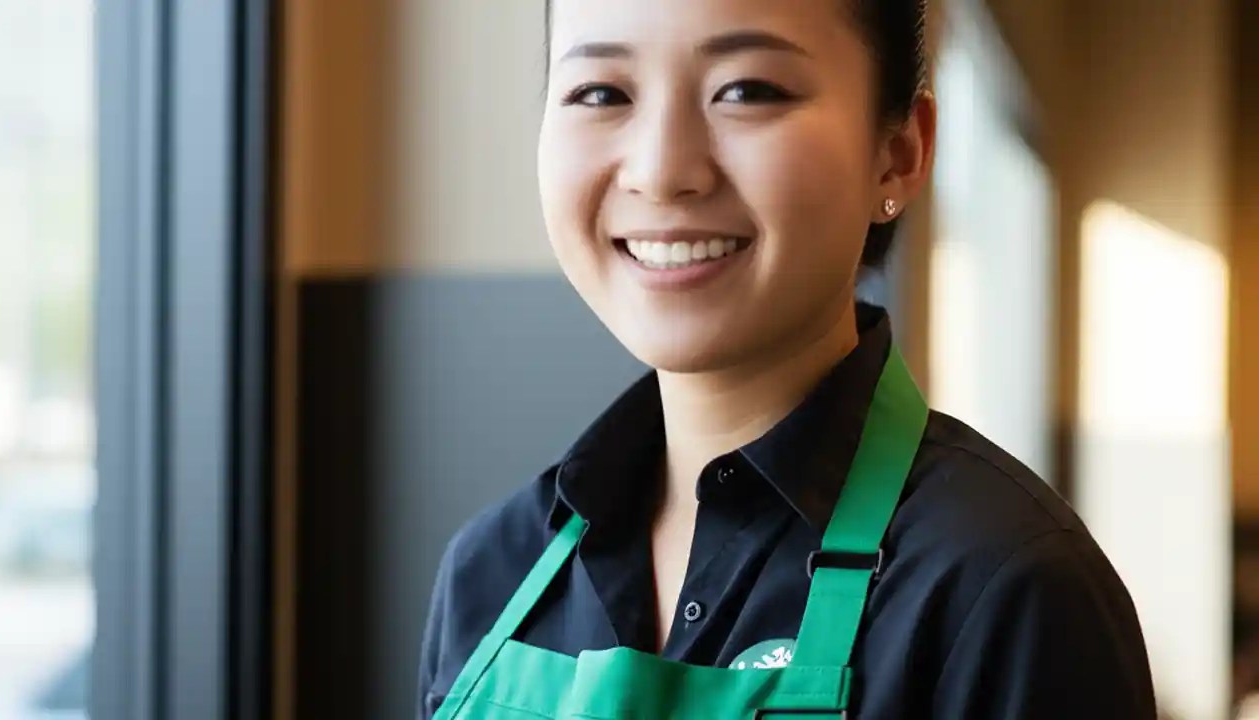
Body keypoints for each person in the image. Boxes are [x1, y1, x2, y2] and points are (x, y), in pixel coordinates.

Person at [419, 0, 1157, 717]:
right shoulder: (494, 569)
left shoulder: (1005, 586)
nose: (661, 169)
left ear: (899, 154)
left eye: (745, 90)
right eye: (601, 92)